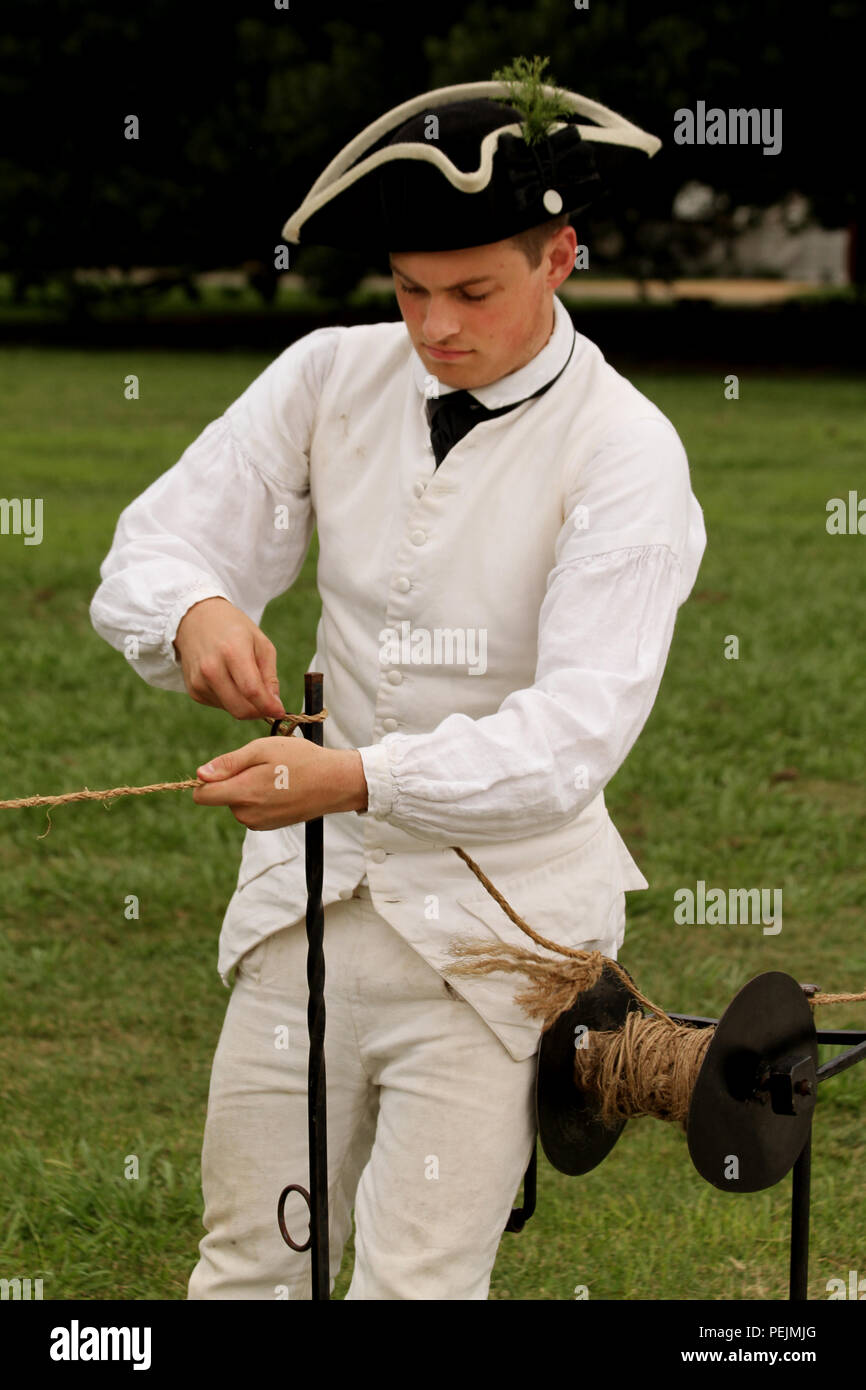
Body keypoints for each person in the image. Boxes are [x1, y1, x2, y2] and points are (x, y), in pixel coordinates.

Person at [89, 66, 707, 1300]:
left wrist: (356, 777)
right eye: (410, 290)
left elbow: (569, 740)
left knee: (417, 1283)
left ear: (559, 258)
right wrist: (196, 606)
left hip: (497, 943)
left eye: (472, 291)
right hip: (300, 911)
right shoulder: (329, 374)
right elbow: (150, 550)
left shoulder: (627, 454)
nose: (433, 327)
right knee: (246, 1263)